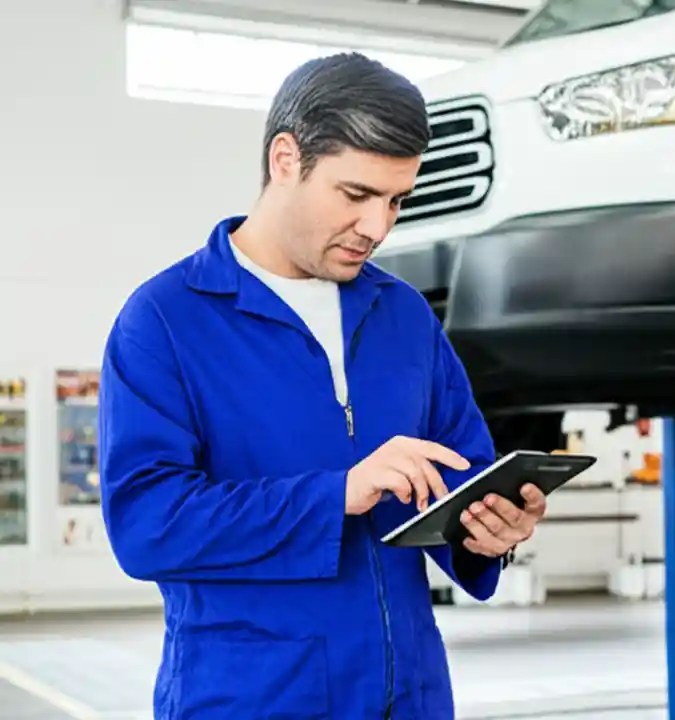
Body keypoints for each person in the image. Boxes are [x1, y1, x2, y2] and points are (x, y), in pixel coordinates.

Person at [97, 53, 549, 719]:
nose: (378, 227)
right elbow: (146, 526)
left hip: (411, 697)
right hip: (250, 700)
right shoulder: (165, 320)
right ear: (286, 159)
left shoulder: (404, 317)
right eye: (356, 195)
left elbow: (464, 473)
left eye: (397, 200)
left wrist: (490, 529)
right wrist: (337, 495)